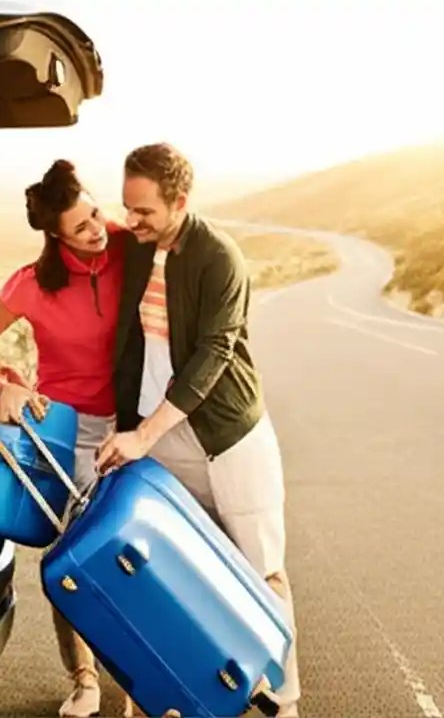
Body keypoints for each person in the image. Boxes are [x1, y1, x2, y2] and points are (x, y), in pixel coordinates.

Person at [96, 142, 302, 717]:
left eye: (144, 211)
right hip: (161, 440)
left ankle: (282, 703)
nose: (130, 222)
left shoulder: (219, 258)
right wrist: (130, 428)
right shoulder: (136, 248)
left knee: (263, 572)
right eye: (127, 207)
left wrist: (143, 434)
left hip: (230, 439)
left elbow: (213, 355)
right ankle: (168, 700)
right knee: (164, 572)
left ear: (180, 201)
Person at [0, 158, 135, 718]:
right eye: (81, 227)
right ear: (55, 237)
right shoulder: (33, 284)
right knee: (73, 559)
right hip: (69, 430)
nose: (97, 229)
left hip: (132, 425)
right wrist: (6, 385)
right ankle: (83, 680)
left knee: (133, 557)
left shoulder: (127, 249)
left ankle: (138, 681)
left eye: (95, 213)